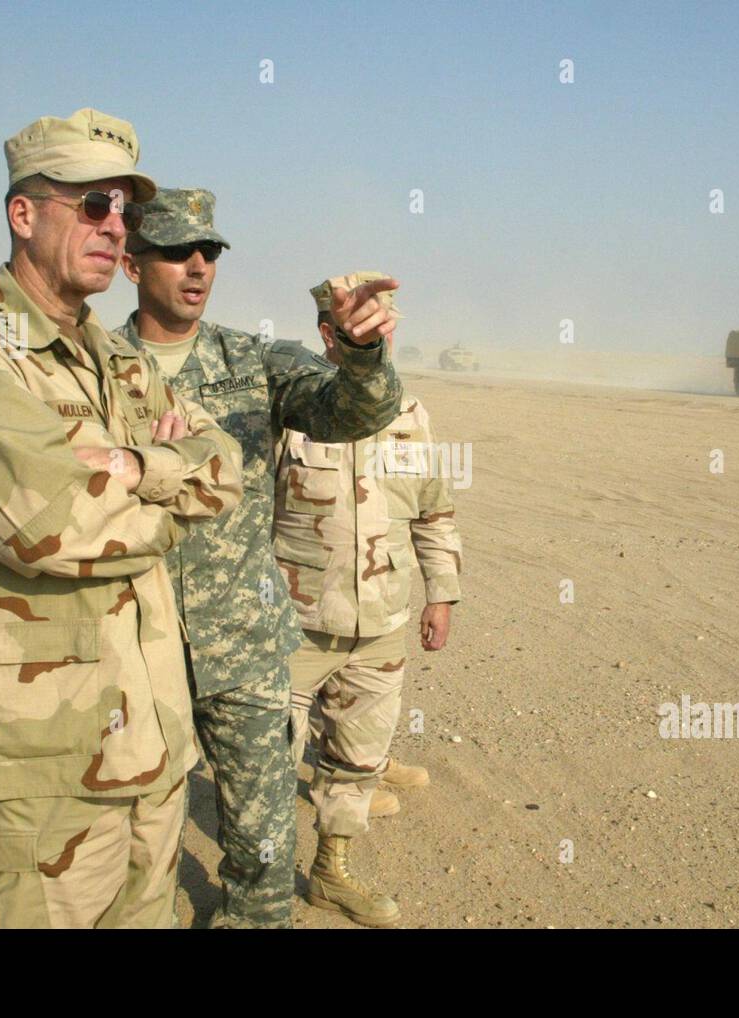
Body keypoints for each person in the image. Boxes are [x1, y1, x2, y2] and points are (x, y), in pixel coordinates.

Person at [0, 109, 244, 929]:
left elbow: (226, 464)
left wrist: (137, 469)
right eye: (93, 205)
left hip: (153, 749)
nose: (116, 228)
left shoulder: (117, 357)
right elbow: (57, 531)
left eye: (125, 211)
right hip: (45, 776)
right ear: (24, 214)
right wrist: (172, 490)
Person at [114, 188, 404, 927]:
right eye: (178, 250)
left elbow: (355, 411)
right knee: (128, 835)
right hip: (130, 644)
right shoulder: (93, 365)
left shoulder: (252, 358)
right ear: (128, 263)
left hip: (243, 643)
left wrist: (364, 353)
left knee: (261, 839)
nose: (199, 264)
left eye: (209, 250)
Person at [275, 271, 463, 927]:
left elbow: (434, 513)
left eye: (383, 328)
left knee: (355, 762)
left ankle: (331, 872)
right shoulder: (290, 412)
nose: (376, 339)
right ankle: (259, 887)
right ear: (329, 335)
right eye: (359, 328)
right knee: (265, 767)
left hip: (379, 624)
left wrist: (441, 593)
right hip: (294, 626)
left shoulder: (409, 414)